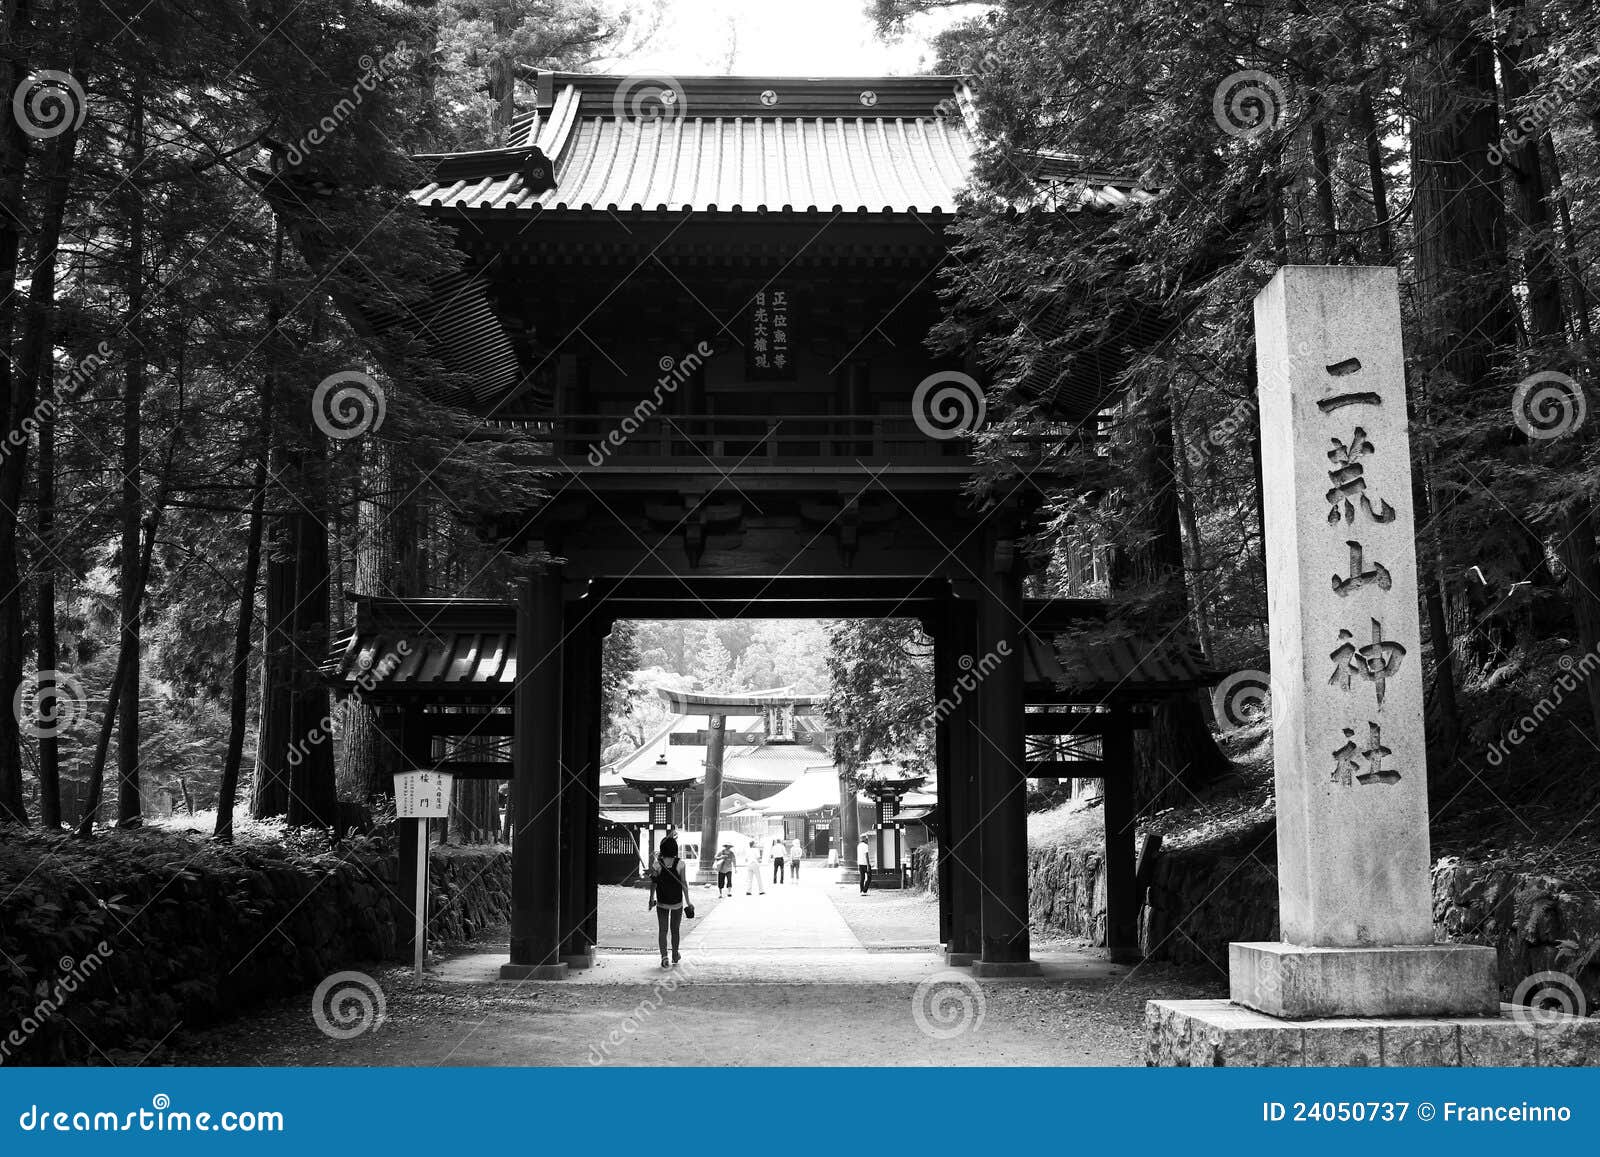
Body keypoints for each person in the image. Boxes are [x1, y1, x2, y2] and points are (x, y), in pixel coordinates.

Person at [649, 836, 691, 968]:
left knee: (663, 930)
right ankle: (675, 954)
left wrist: (651, 899)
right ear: (675, 849)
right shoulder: (681, 864)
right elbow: (683, 883)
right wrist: (689, 902)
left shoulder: (657, 864)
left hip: (662, 902)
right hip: (677, 902)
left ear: (662, 849)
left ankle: (664, 957)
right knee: (675, 930)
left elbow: (654, 884)